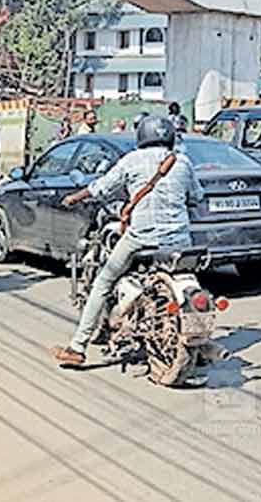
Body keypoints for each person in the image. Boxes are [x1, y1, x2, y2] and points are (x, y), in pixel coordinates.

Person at [50, 115, 205, 366]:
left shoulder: (131, 160)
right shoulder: (183, 162)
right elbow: (197, 196)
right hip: (178, 239)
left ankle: (77, 347)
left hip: (141, 237)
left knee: (103, 281)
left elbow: (101, 188)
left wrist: (74, 198)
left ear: (142, 136)